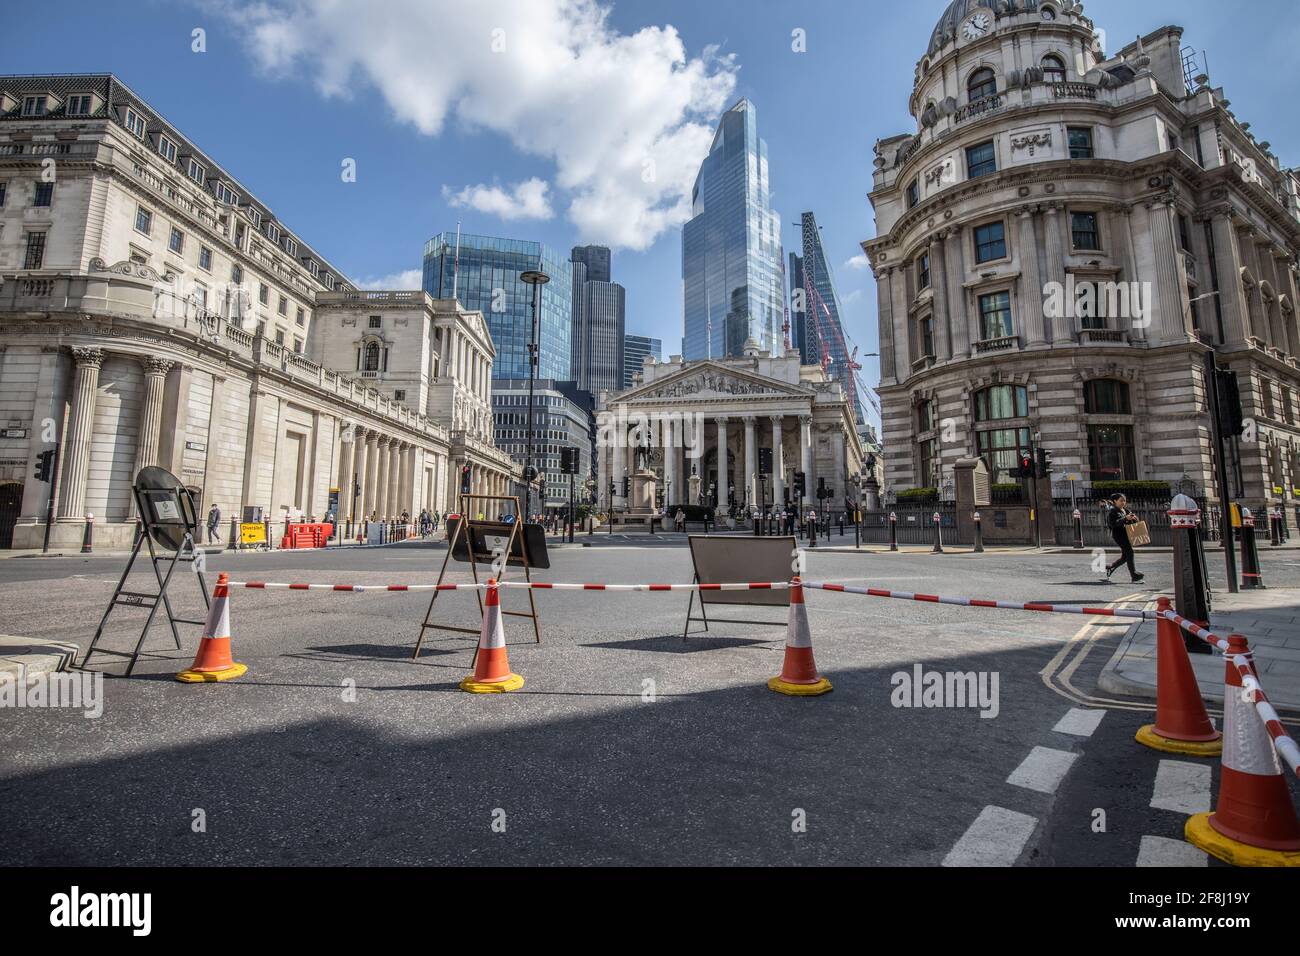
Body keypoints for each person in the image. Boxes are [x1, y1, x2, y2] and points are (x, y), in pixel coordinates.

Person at [1103, 493, 1145, 583]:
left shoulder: (1126, 510)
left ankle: (1111, 568)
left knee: (1125, 557)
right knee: (1130, 553)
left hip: (1127, 535)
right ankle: (1134, 576)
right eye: (1121, 500)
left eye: (1124, 500)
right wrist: (1125, 518)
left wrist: (1134, 518)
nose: (1123, 502)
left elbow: (1132, 522)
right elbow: (1113, 524)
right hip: (1119, 536)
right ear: (1115, 501)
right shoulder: (1113, 512)